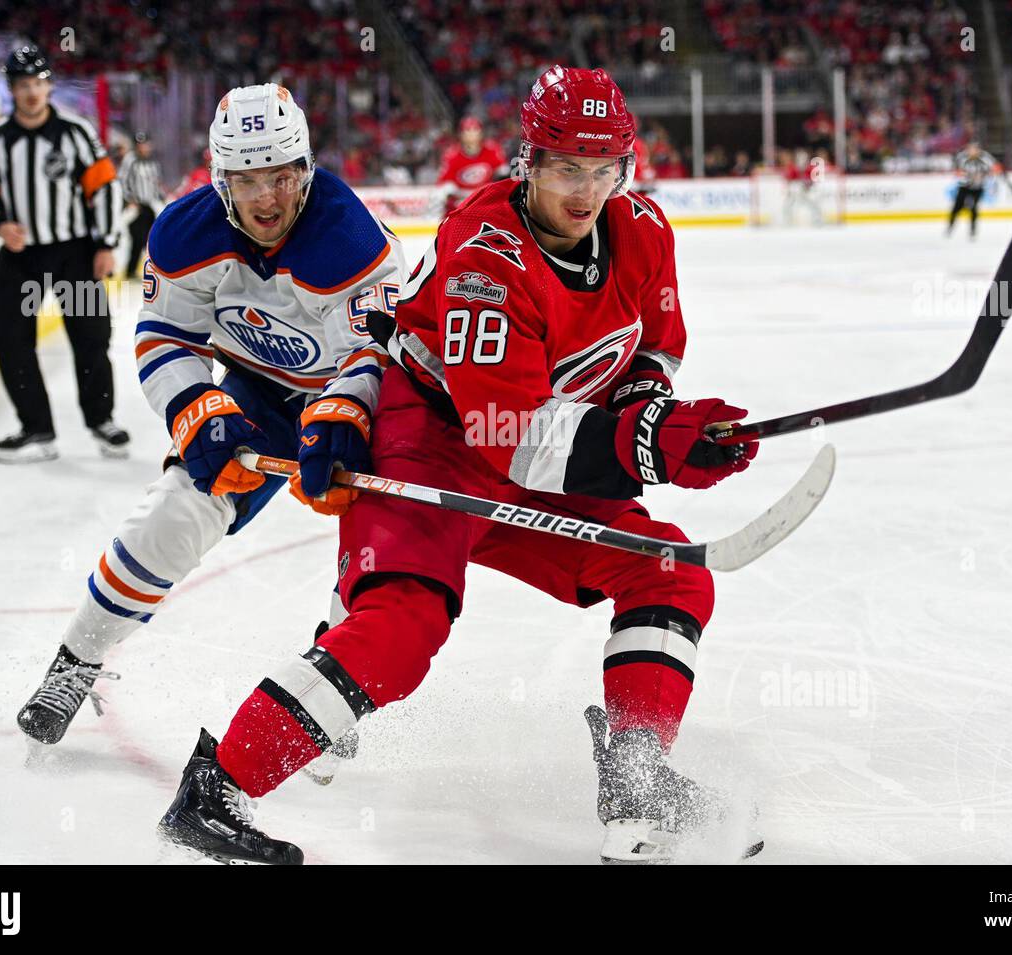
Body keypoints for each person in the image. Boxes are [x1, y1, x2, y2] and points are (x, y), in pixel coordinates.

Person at [157, 66, 762, 866]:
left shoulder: (643, 228)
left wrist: (653, 407)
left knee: (671, 573)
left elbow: (649, 344)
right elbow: (506, 430)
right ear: (529, 162)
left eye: (602, 170)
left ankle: (637, 779)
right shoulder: (485, 257)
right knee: (402, 632)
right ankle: (215, 788)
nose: (585, 193)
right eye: (565, 169)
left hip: (540, 447)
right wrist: (646, 444)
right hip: (433, 441)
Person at [15, 83, 404, 754]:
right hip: (257, 385)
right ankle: (73, 665)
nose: (265, 198)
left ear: (303, 170)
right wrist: (198, 408)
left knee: (374, 535)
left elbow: (376, 353)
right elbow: (164, 333)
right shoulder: (182, 231)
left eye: (280, 176)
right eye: (246, 178)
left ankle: (333, 681)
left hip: (361, 391)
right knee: (176, 510)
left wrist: (341, 418)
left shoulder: (350, 239)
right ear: (220, 177)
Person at [0, 45, 130, 462]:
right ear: (12, 90)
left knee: (90, 337)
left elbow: (105, 187)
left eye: (38, 83)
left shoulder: (75, 132)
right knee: (10, 339)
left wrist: (107, 243)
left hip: (75, 253)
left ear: (50, 86)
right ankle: (37, 429)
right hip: (22, 259)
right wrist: (0, 225)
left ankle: (101, 420)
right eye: (23, 85)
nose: (32, 93)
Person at [436, 116, 509, 214]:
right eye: (468, 130)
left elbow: (504, 174)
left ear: (481, 132)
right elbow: (444, 185)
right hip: (461, 201)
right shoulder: (452, 155)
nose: (471, 134)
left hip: (486, 199)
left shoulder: (492, 149)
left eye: (475, 129)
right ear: (461, 134)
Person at [117, 131, 165, 278]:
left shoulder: (153, 162)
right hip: (136, 207)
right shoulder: (130, 160)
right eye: (140, 144)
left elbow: (156, 183)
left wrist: (162, 198)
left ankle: (152, 270)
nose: (144, 147)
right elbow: (123, 181)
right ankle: (130, 271)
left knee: (152, 239)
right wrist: (129, 200)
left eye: (145, 144)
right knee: (137, 239)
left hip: (149, 206)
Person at [946, 142, 998, 239]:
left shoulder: (986, 158)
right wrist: (965, 176)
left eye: (974, 149)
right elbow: (956, 170)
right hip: (964, 186)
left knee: (973, 208)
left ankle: (973, 230)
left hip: (978, 188)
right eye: (970, 149)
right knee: (957, 207)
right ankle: (950, 227)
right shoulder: (962, 157)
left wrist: (984, 177)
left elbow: (994, 169)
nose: (972, 151)